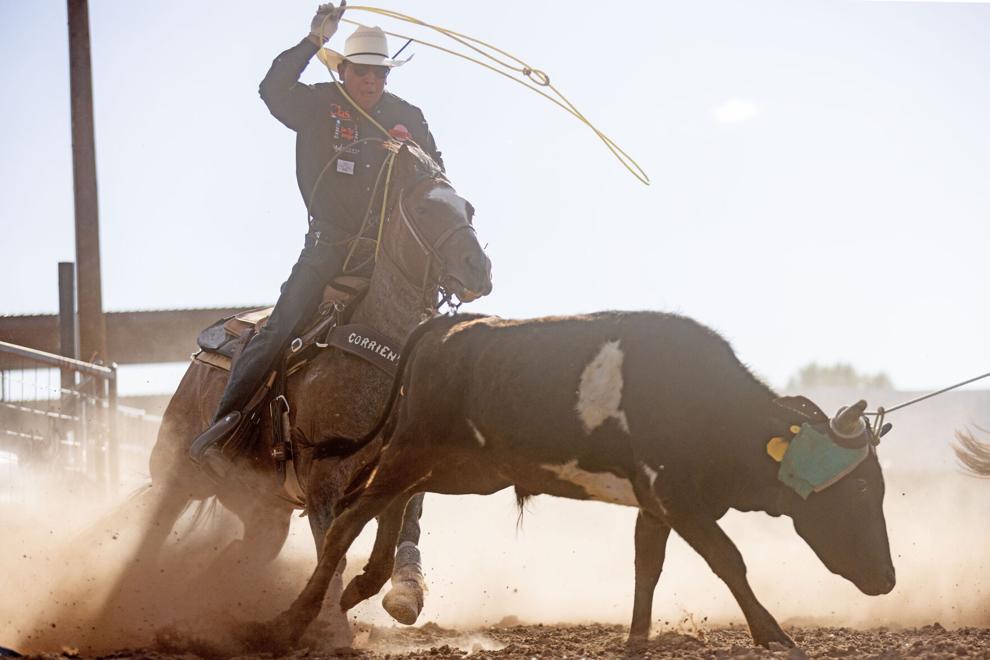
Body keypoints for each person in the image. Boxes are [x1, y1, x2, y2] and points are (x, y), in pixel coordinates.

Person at [190, 2, 444, 479]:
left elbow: (436, 179)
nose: (371, 80)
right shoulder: (317, 103)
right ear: (343, 70)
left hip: (387, 256)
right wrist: (314, 41)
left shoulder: (408, 116)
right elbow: (272, 90)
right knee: (280, 327)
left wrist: (413, 161)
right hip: (328, 247)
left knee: (432, 336)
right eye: (362, 71)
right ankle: (226, 426)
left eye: (380, 73)